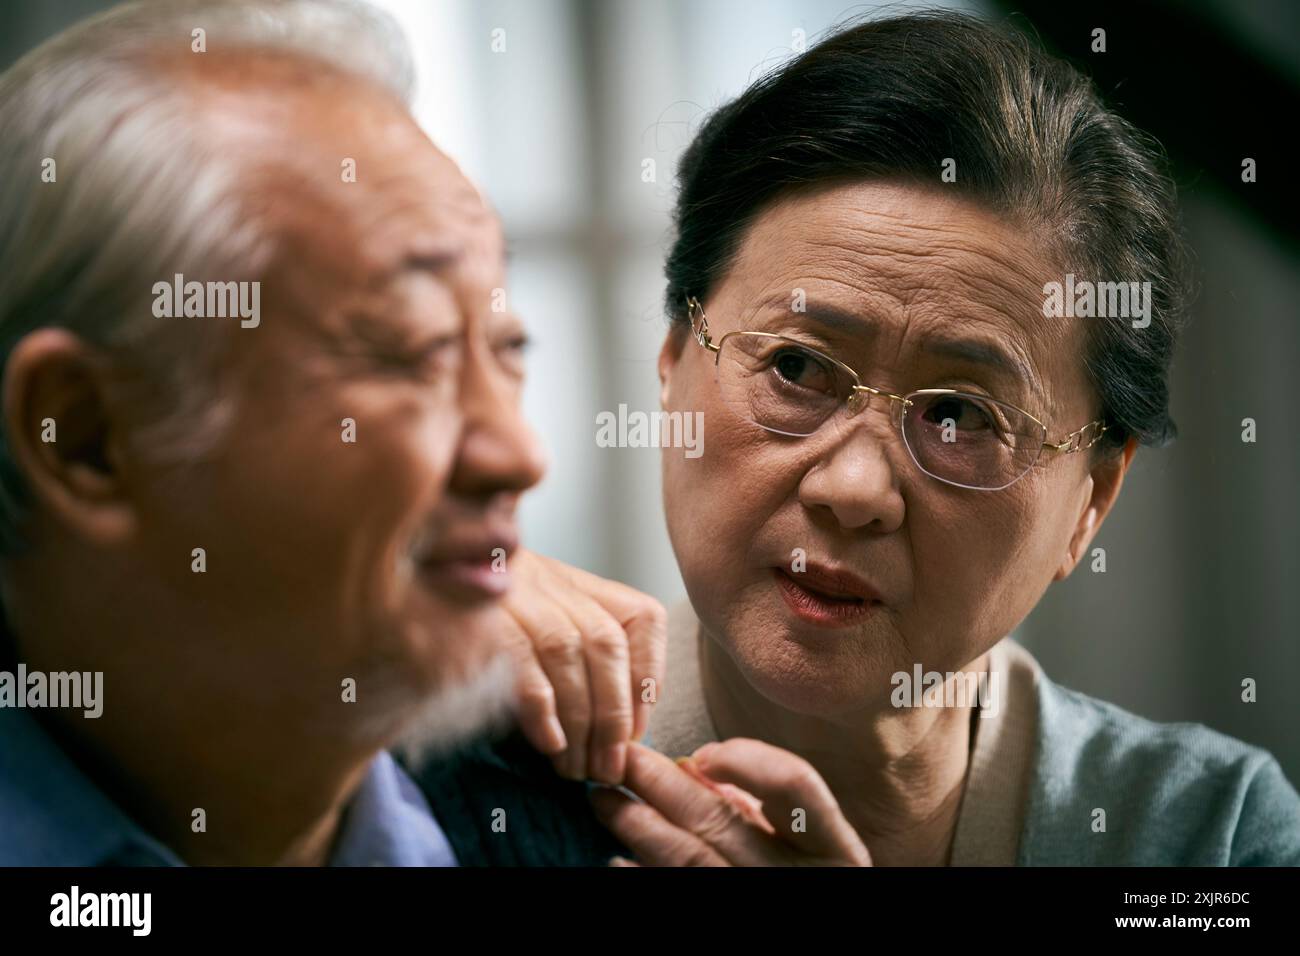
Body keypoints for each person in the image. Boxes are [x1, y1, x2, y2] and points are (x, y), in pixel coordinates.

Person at [579, 12, 1300, 865]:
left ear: (1089, 506)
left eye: (960, 417)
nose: (853, 489)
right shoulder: (472, 771)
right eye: (799, 369)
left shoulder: (1206, 838)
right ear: (671, 363)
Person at [0, 0, 671, 867]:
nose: (519, 454)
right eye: (416, 354)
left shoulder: (581, 819)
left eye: (508, 349)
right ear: (83, 437)